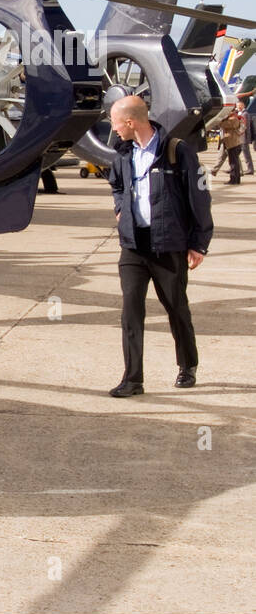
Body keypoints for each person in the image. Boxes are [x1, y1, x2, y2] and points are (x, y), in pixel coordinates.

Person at [106, 95, 212, 397]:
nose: (114, 131)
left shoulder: (176, 151)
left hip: (169, 244)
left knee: (176, 307)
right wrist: (120, 208)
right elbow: (116, 184)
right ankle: (133, 379)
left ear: (130, 121)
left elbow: (200, 199)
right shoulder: (123, 155)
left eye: (116, 124)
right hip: (133, 245)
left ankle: (187, 364)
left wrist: (198, 244)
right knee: (131, 311)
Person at [212, 109, 243, 184]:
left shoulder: (233, 119)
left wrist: (222, 119)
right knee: (235, 163)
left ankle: (233, 180)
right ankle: (236, 179)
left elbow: (222, 124)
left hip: (232, 144)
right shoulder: (233, 118)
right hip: (232, 143)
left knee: (233, 163)